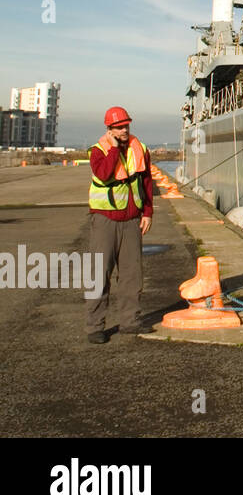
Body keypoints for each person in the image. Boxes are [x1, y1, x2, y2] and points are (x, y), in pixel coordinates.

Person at [86, 106, 153, 343]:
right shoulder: (98, 151)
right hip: (105, 220)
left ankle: (130, 322)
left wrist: (148, 212)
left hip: (132, 220)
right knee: (99, 273)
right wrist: (114, 148)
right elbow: (104, 174)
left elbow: (146, 183)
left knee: (132, 275)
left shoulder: (140, 149)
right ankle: (95, 327)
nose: (125, 130)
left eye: (126, 125)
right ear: (110, 129)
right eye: (119, 127)